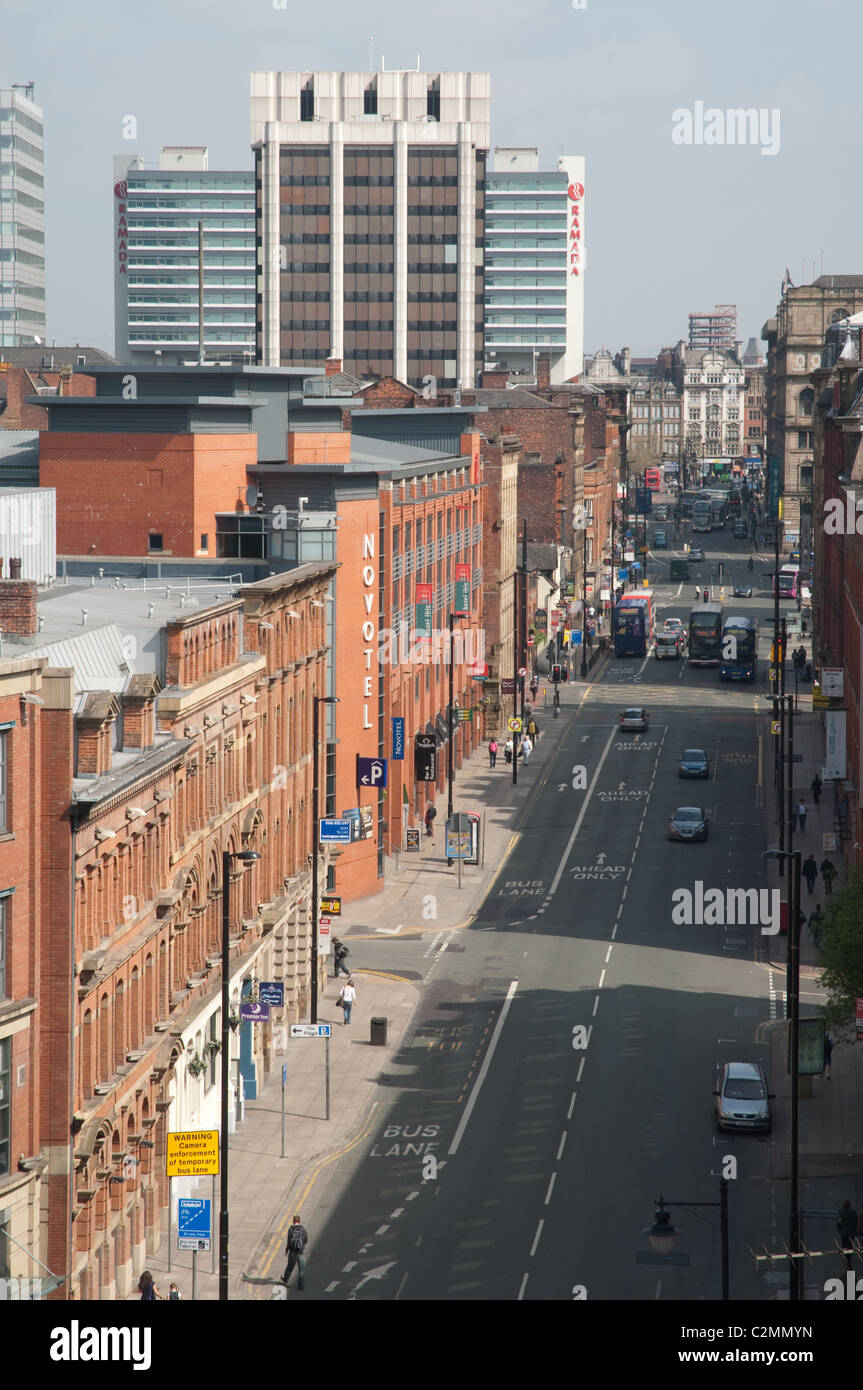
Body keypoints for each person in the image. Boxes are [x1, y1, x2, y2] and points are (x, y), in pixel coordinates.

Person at [282, 1216, 309, 1290]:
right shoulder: (303, 1230)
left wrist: (287, 1250)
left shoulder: (291, 1229)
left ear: (293, 1221)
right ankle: (301, 1286)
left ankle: (285, 1279)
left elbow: (289, 1241)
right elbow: (306, 1239)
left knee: (290, 1266)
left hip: (293, 1251)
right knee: (301, 1269)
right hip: (301, 1251)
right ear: (299, 1221)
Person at [837, 1200, 858, 1269]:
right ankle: (849, 1261)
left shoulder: (841, 1212)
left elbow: (839, 1222)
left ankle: (847, 1262)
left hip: (844, 1233)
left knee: (845, 1247)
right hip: (852, 1233)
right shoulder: (853, 1212)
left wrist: (839, 1229)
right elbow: (856, 1222)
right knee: (850, 1247)